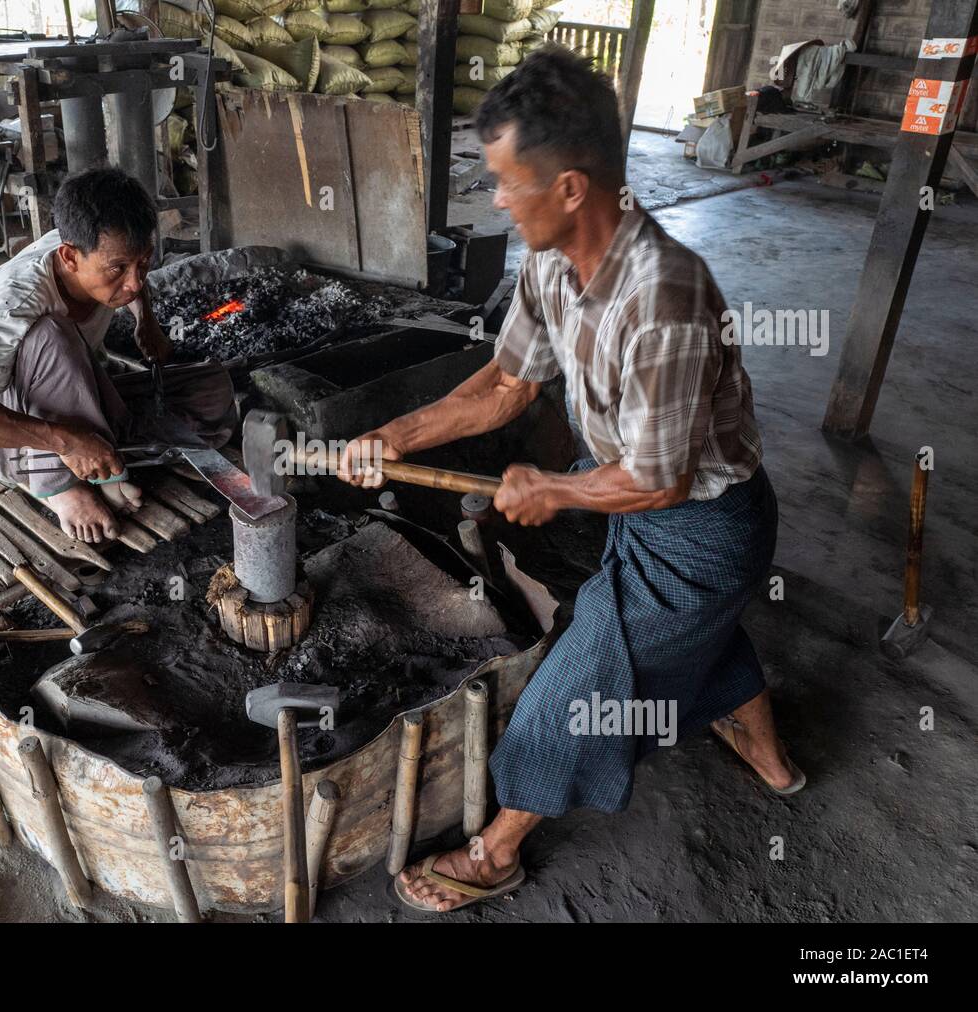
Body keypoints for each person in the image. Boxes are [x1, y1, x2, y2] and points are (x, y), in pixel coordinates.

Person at [338, 46, 805, 915]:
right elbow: (508, 383)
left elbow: (660, 481)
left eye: (509, 183)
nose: (496, 200)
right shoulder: (552, 263)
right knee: (681, 643)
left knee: (578, 684)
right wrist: (393, 433)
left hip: (704, 531)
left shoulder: (664, 301)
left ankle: (497, 851)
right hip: (644, 504)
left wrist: (553, 489)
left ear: (572, 188)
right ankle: (769, 754)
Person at [0, 166, 237, 543]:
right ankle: (62, 488)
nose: (134, 281)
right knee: (52, 335)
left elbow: (132, 278)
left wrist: (146, 321)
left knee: (213, 387)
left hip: (72, 391)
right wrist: (68, 443)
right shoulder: (17, 301)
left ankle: (103, 453)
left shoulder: (98, 251)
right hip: (1, 432)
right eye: (118, 269)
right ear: (70, 257)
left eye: (143, 263)